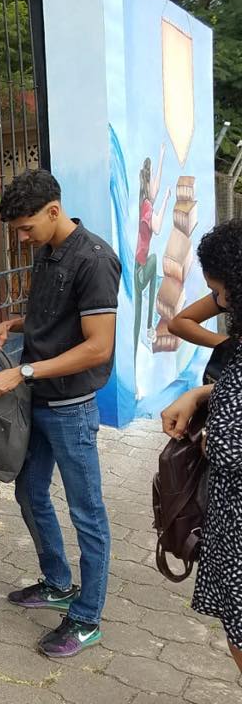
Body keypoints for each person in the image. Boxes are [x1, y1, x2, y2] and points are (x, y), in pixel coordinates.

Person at [0, 169, 121, 658]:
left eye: (25, 228)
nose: (21, 238)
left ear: (54, 211)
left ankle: (86, 618)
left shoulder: (95, 259)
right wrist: (10, 323)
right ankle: (58, 581)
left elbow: (98, 347)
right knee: (30, 490)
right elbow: (51, 318)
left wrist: (24, 372)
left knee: (88, 513)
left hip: (71, 406)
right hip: (38, 401)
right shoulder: (48, 253)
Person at [161, 218, 242, 675]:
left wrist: (219, 440)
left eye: (222, 292)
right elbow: (182, 320)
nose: (221, 301)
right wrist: (201, 392)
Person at [133, 146, 170, 367]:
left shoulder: (145, 200)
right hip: (139, 268)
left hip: (139, 265)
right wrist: (165, 200)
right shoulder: (147, 207)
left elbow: (154, 184)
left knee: (135, 325)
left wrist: (162, 154)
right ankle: (149, 325)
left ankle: (147, 325)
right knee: (136, 324)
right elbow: (157, 227)